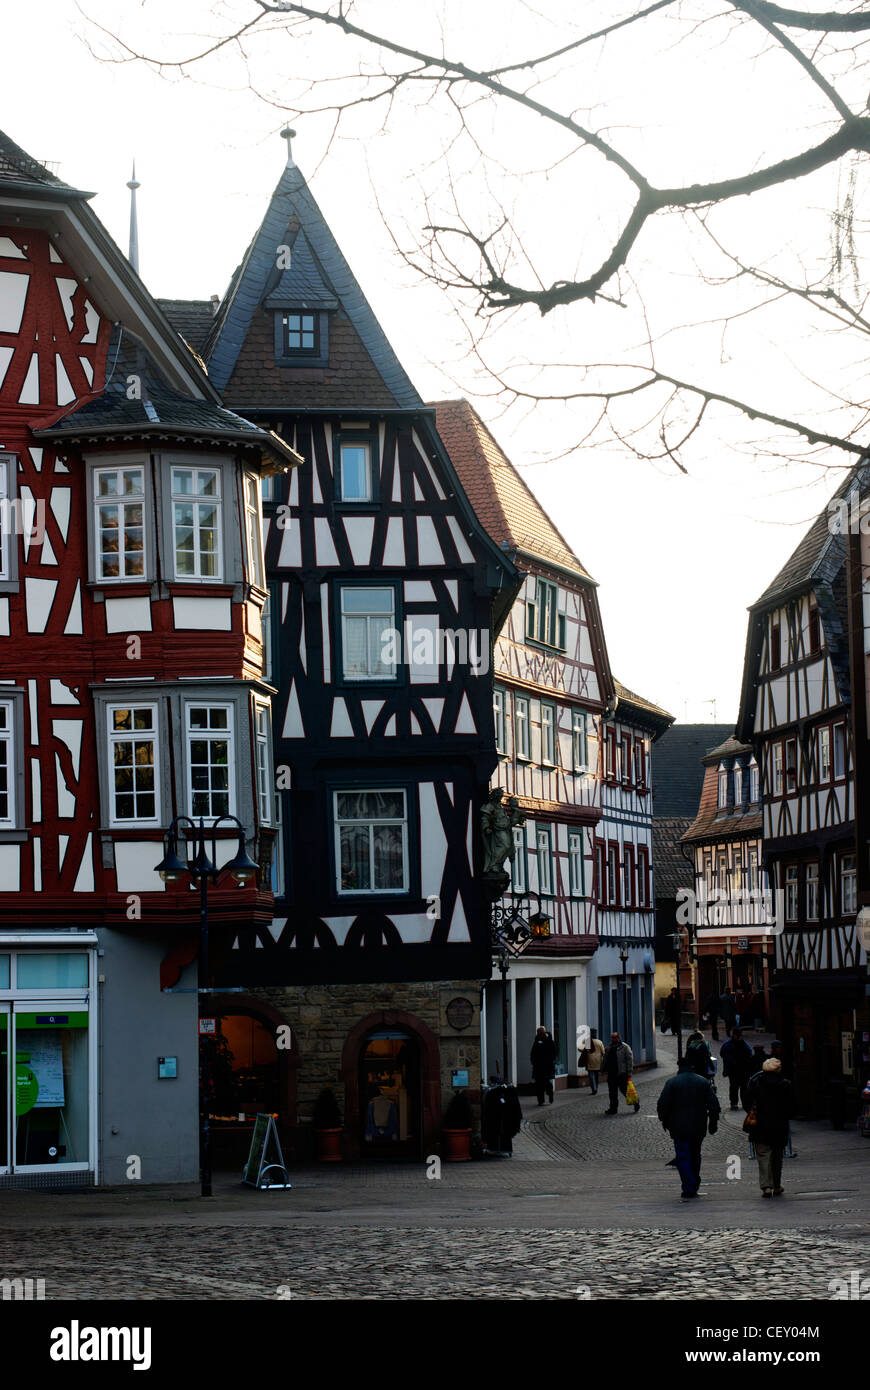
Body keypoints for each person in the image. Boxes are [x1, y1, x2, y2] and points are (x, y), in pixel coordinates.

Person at [657, 1056, 721, 1200]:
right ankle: (694, 1183)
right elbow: (714, 1105)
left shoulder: (672, 1083)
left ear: (679, 1067)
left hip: (678, 1126)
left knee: (683, 1155)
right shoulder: (702, 1082)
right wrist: (713, 1123)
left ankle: (688, 1186)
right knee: (695, 1154)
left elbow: (663, 1104)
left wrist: (664, 1120)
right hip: (698, 1125)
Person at [744, 1057, 794, 1197]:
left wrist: (752, 1111)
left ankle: (766, 1186)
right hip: (779, 1125)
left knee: (763, 1155)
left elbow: (747, 1101)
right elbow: (791, 1107)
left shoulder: (756, 1083)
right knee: (777, 1156)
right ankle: (776, 1185)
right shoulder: (785, 1084)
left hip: (760, 1125)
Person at [602, 1031, 637, 1114]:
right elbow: (605, 1059)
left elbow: (629, 1060)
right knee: (612, 1093)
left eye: (614, 1037)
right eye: (612, 1037)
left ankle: (635, 1103)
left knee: (624, 1090)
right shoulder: (609, 1047)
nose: (613, 1039)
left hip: (622, 1073)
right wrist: (602, 1069)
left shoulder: (625, 1047)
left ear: (618, 1038)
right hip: (611, 1074)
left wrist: (629, 1073)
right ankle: (613, 1109)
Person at [720, 1027, 754, 1110]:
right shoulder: (728, 1044)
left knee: (743, 1088)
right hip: (733, 1070)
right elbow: (723, 1053)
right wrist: (732, 1060)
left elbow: (749, 1053)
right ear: (734, 1035)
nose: (740, 1037)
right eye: (739, 1036)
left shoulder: (743, 1044)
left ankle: (744, 1103)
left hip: (743, 1070)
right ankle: (734, 1103)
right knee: (734, 1087)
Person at [530, 1025, 557, 1106]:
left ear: (544, 1033)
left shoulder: (550, 1041)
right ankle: (540, 1100)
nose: (539, 1034)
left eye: (540, 1033)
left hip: (547, 1066)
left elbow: (554, 1052)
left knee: (547, 1082)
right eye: (538, 1033)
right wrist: (533, 1061)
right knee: (538, 1084)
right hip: (538, 1066)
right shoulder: (536, 1041)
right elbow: (533, 1053)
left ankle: (550, 1093)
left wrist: (550, 1060)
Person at [582, 1029, 605, 1095]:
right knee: (596, 1075)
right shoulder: (599, 1042)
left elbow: (584, 1051)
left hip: (589, 1061)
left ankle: (594, 1088)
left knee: (591, 1075)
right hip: (598, 1061)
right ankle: (596, 1088)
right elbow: (603, 1052)